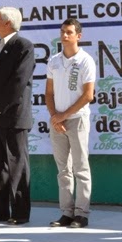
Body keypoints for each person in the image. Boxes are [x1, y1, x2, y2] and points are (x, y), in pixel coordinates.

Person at [0, 7, 36, 225]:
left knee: (16, 164)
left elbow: (19, 82)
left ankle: (19, 212)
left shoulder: (23, 46)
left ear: (8, 23)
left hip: (12, 116)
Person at [46, 18, 96, 229]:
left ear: (78, 36)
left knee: (80, 168)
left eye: (69, 32)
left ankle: (81, 213)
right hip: (58, 122)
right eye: (62, 32)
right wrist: (54, 116)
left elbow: (88, 95)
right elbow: (49, 93)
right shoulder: (54, 61)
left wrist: (64, 115)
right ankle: (66, 212)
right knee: (63, 170)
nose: (64, 36)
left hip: (77, 120)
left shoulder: (85, 60)